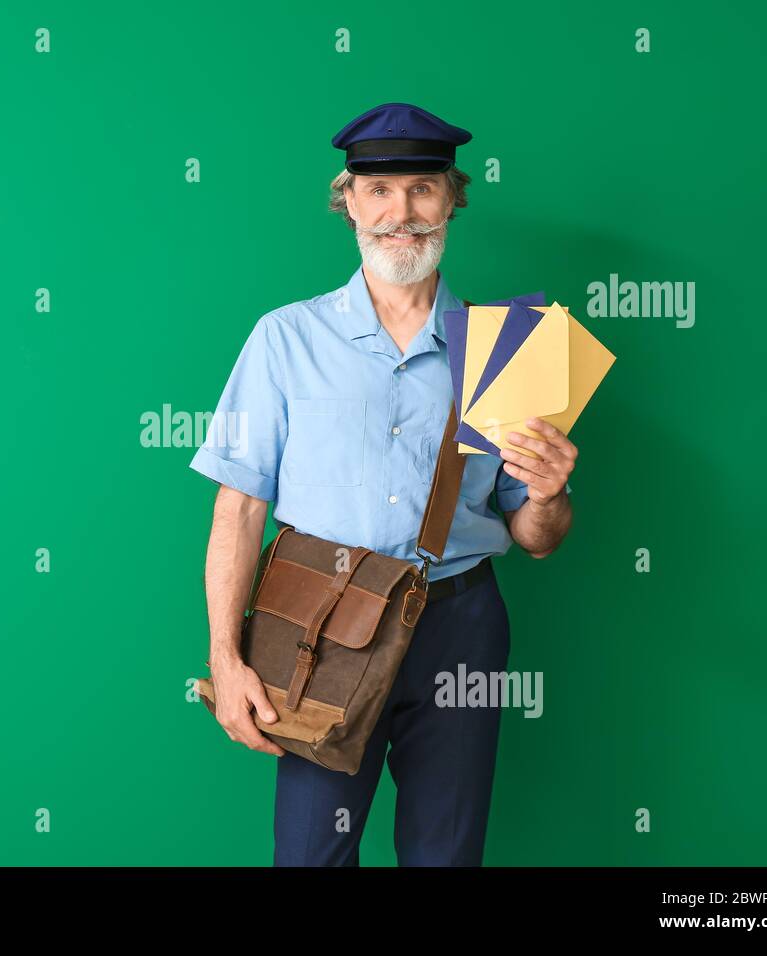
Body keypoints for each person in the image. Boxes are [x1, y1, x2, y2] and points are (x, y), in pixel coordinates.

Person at [189, 103, 578, 866]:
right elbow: (238, 508)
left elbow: (536, 540)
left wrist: (549, 495)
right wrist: (225, 660)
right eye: (380, 191)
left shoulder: (504, 349)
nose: (403, 212)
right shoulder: (284, 338)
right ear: (350, 205)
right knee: (310, 856)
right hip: (320, 628)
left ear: (452, 201)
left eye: (424, 189)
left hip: (459, 626)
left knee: (447, 854)